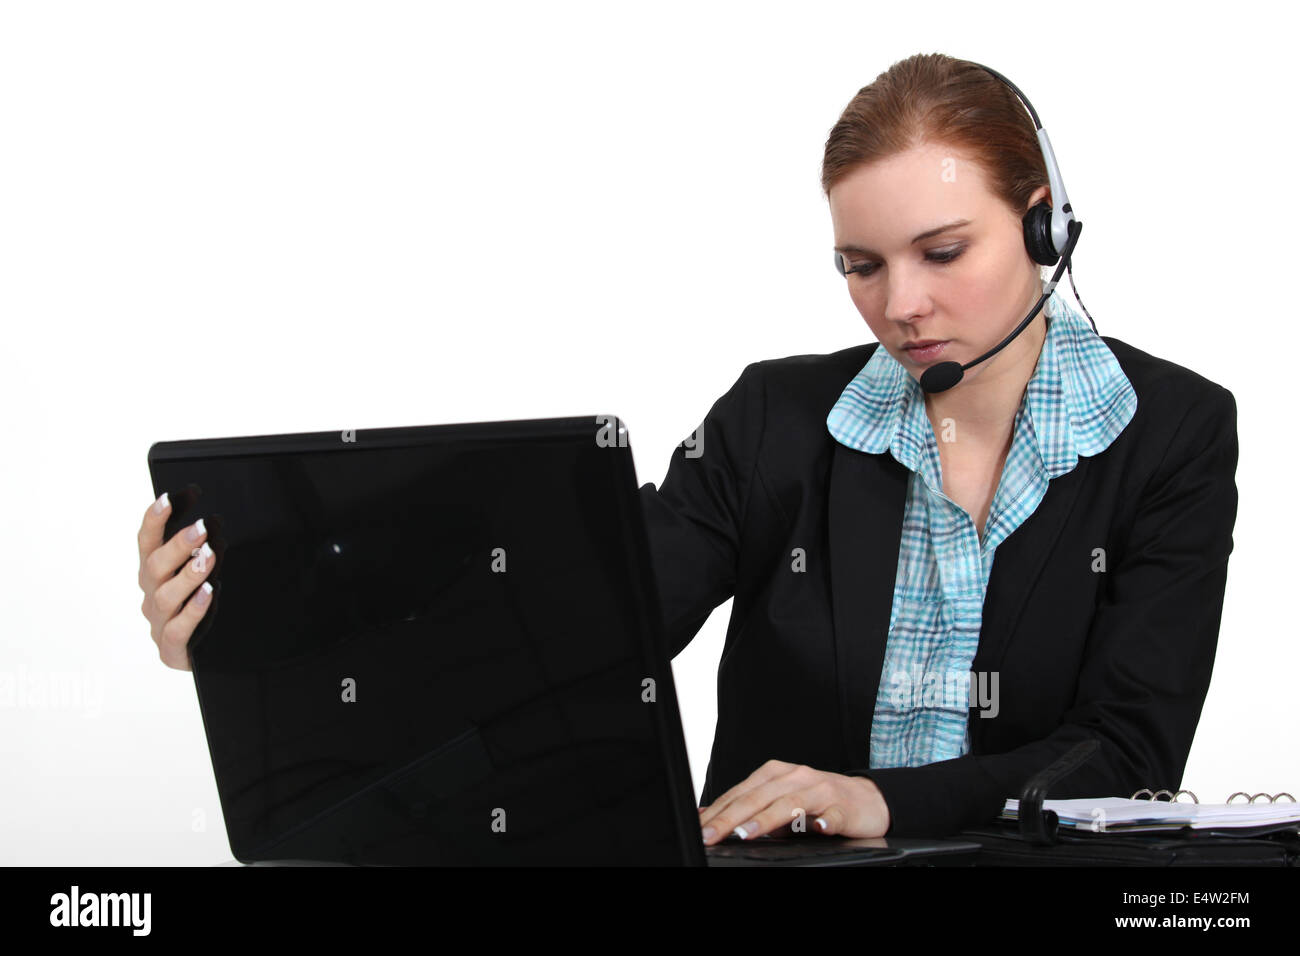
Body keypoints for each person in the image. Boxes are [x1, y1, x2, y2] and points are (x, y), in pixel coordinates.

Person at [137, 52, 1239, 842]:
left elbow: (1128, 754)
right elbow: (578, 632)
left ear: (1043, 224)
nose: (900, 304)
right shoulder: (772, 421)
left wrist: (884, 800)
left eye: (941, 249)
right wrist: (254, 644)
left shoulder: (1173, 432)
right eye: (860, 264)